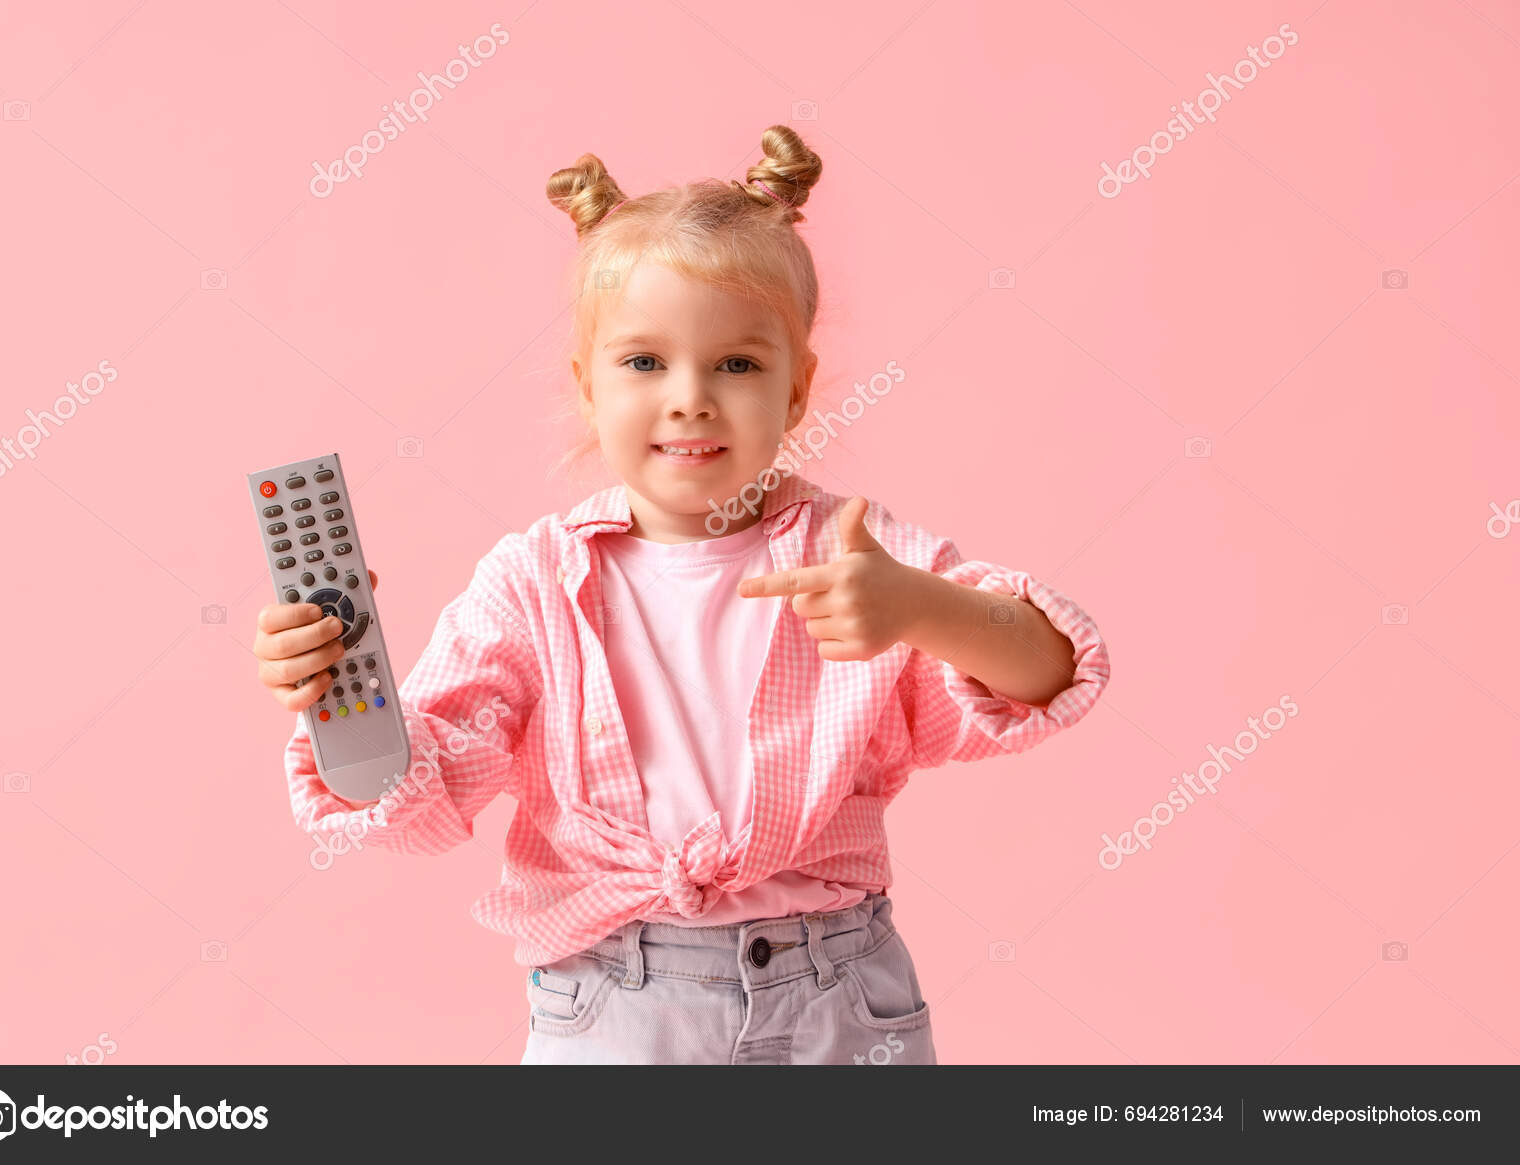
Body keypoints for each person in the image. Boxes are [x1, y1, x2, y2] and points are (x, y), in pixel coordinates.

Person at [251, 125, 1111, 1064]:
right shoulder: (532, 582)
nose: (691, 397)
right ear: (587, 386)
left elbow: (1053, 673)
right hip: (617, 1005)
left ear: (797, 389)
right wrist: (336, 699)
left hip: (838, 1000)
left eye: (737, 364)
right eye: (644, 362)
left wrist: (921, 608)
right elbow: (421, 808)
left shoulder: (858, 557)